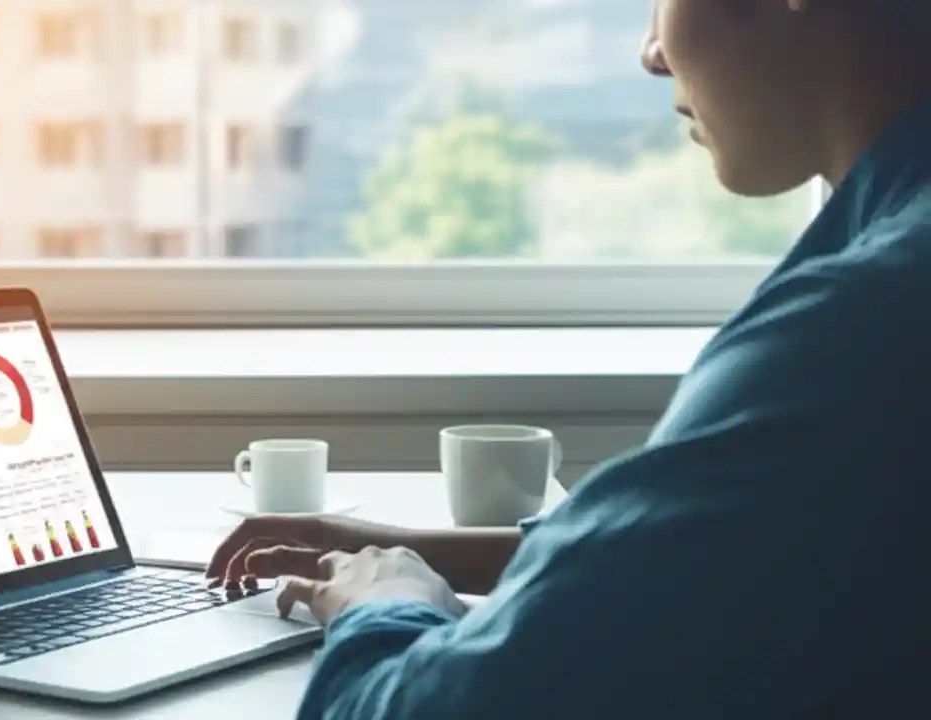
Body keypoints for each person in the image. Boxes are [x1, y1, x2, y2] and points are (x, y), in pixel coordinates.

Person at [206, 1, 931, 717]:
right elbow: (697, 557)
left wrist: (385, 606)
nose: (652, 50)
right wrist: (402, 552)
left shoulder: (852, 334)